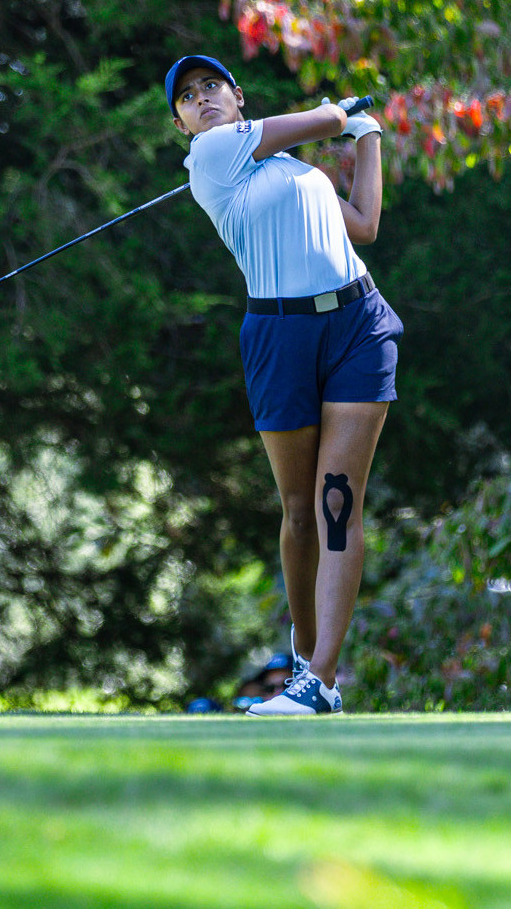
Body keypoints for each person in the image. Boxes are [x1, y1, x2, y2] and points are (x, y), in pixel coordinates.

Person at [166, 54, 401, 716]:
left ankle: (321, 678)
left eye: (211, 86)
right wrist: (342, 114)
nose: (202, 99)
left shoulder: (296, 171)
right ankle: (304, 658)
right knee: (298, 511)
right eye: (187, 98)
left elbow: (364, 224)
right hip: (278, 337)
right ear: (182, 124)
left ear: (237, 97)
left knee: (334, 501)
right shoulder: (208, 159)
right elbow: (323, 116)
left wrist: (367, 140)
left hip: (358, 322)